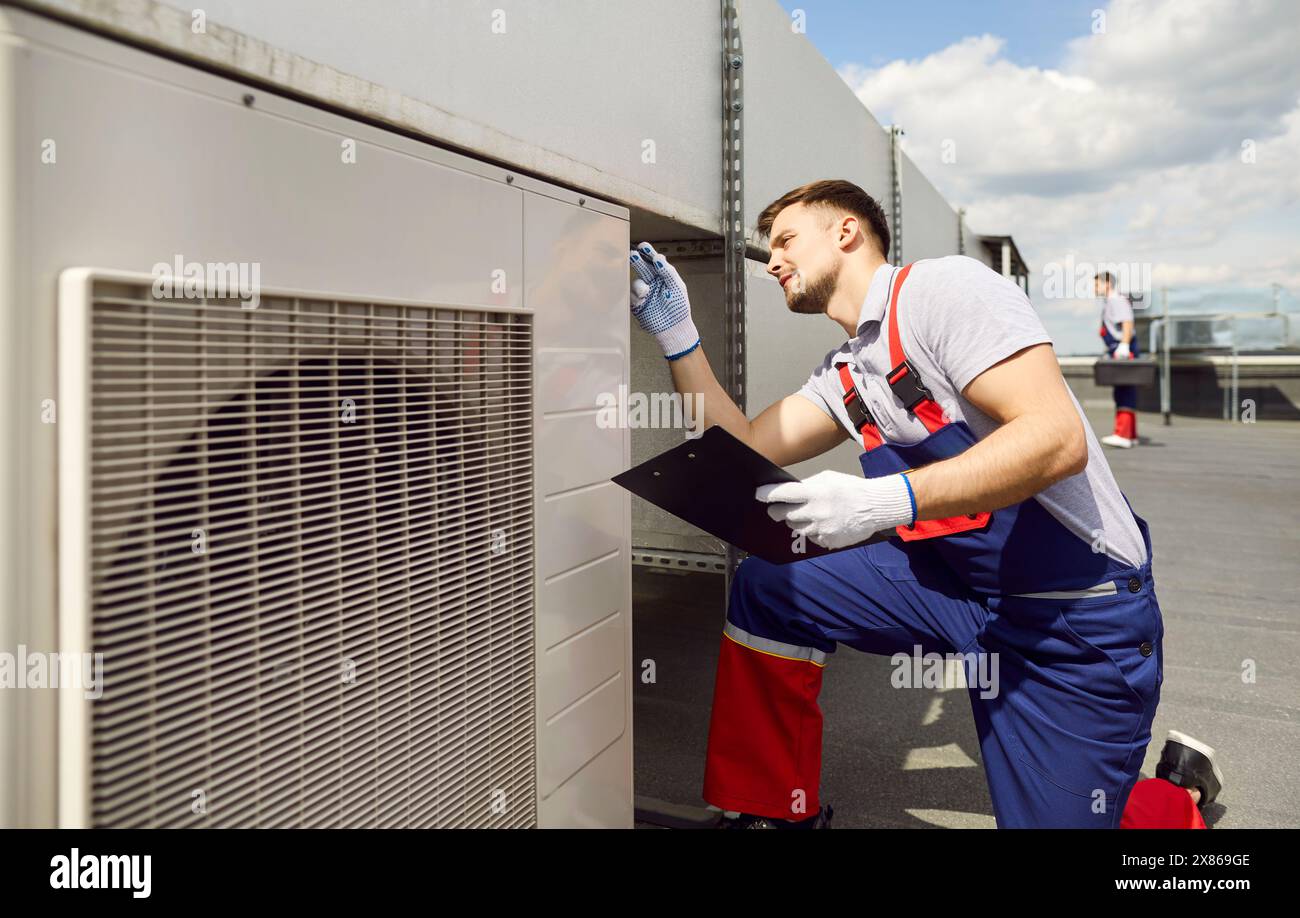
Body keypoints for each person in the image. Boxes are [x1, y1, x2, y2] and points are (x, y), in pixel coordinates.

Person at [628, 178, 1170, 828]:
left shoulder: (947, 293)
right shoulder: (848, 371)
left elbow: (1055, 439)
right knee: (770, 586)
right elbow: (739, 442)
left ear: (846, 232)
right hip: (958, 588)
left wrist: (887, 500)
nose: (771, 260)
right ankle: (774, 811)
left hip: (1073, 615)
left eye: (786, 240)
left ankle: (1178, 799)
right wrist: (679, 337)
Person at [1096, 271, 1140, 448]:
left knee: (1124, 391)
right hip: (1119, 348)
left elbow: (1127, 322)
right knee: (1126, 390)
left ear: (1107, 284)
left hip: (1123, 349)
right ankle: (1130, 435)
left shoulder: (1116, 301)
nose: (1094, 288)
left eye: (1096, 284)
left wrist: (1124, 344)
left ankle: (1123, 434)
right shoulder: (1111, 302)